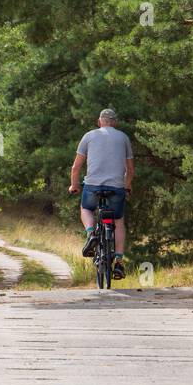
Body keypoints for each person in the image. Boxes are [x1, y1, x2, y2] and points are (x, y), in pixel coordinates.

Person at [68, 108, 134, 279]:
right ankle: (119, 263)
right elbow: (131, 170)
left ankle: (91, 235)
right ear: (115, 122)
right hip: (116, 188)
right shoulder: (123, 138)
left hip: (92, 186)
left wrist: (74, 186)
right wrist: (127, 186)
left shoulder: (88, 136)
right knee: (118, 221)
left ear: (99, 122)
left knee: (86, 208)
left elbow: (76, 167)